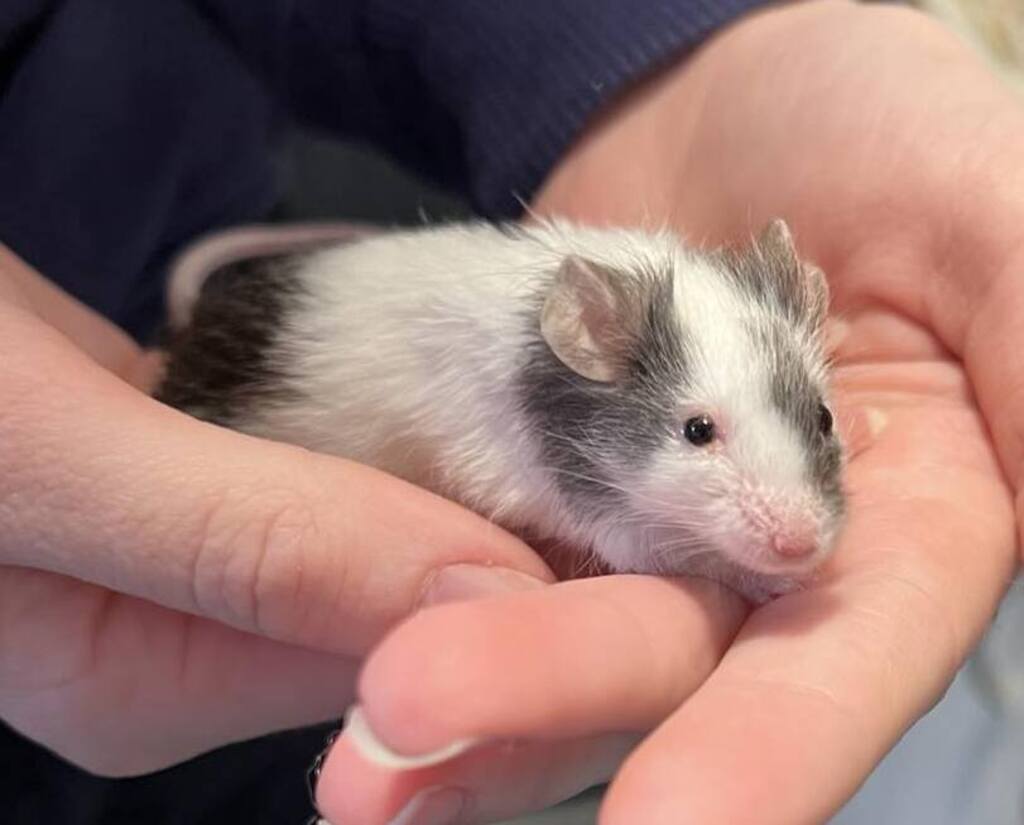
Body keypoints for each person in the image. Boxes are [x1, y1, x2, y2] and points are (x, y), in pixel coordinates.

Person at [1, 1, 1021, 823]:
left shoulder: (698, 315)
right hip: (229, 419)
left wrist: (711, 39)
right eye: (700, 435)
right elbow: (546, 493)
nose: (793, 527)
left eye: (820, 429)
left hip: (276, 682)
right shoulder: (543, 380)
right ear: (591, 342)